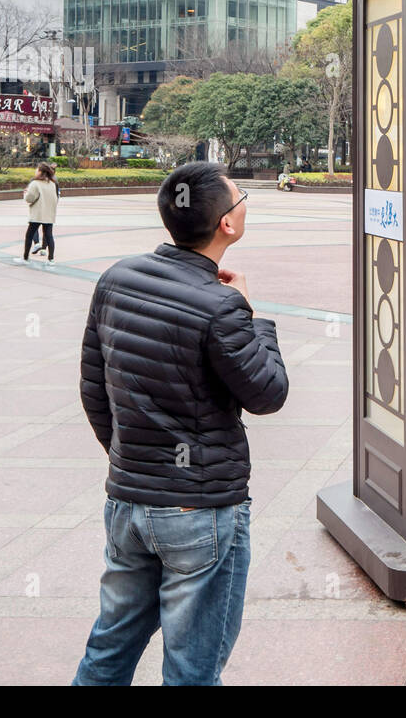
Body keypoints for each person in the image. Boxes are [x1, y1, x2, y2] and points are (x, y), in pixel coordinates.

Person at [73, 161, 289, 686]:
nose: (242, 208)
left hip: (128, 499)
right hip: (200, 509)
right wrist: (252, 315)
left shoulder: (116, 278)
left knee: (111, 644)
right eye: (242, 201)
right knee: (193, 666)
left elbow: (93, 388)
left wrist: (131, 459)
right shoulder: (221, 306)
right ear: (227, 225)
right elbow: (268, 393)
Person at [21, 162, 60, 265]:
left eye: (37, 169)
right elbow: (56, 198)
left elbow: (29, 198)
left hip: (37, 214)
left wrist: (25, 194)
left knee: (29, 235)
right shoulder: (52, 183)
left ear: (41, 172)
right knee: (49, 235)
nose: (35, 171)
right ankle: (51, 259)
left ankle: (25, 258)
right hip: (49, 214)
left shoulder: (35, 183)